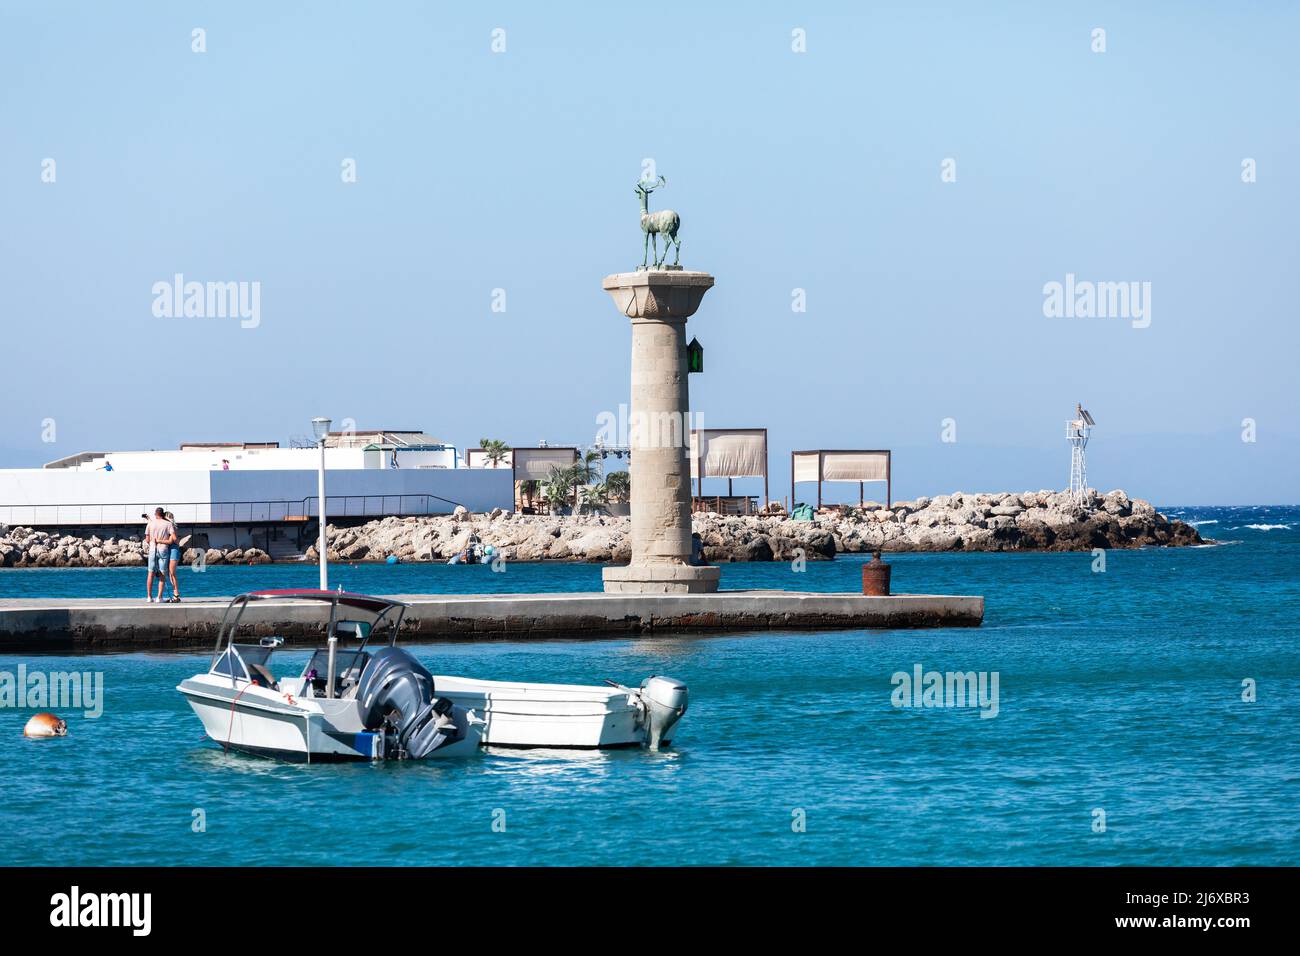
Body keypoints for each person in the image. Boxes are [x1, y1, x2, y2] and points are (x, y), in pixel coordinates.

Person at [145, 507, 174, 603]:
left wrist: (153, 543)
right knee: (162, 574)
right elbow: (173, 538)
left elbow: (147, 540)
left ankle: (149, 597)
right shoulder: (168, 524)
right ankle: (159, 597)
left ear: (155, 514)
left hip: (153, 549)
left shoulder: (150, 523)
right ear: (163, 514)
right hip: (163, 549)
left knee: (150, 573)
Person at [163, 511, 182, 603]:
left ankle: (176, 594)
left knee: (172, 573)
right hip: (171, 550)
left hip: (174, 551)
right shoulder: (170, 526)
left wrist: (158, 540)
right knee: (170, 574)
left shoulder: (172, 526)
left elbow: (171, 540)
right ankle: (175, 594)